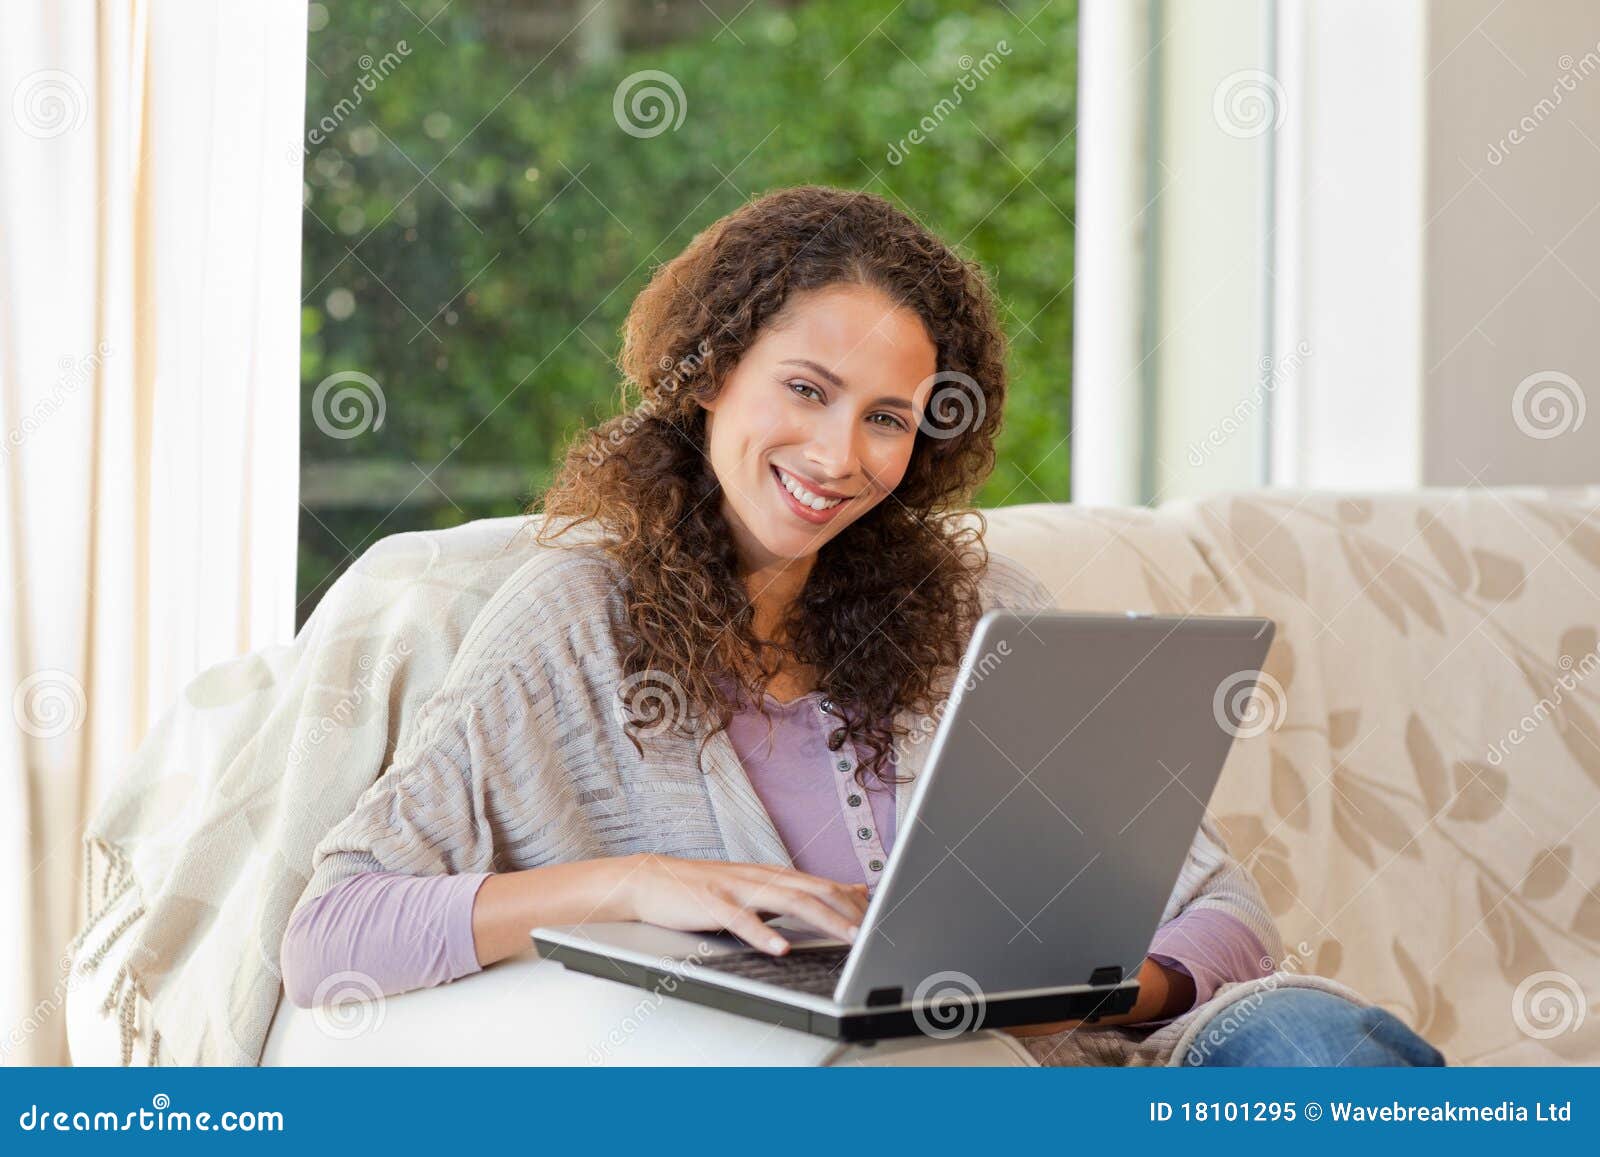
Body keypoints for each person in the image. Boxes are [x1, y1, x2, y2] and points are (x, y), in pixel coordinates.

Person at [279, 185, 1444, 1067]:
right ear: (708, 373)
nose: (840, 457)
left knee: (1325, 1046)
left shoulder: (979, 617)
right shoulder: (576, 618)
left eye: (887, 418)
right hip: (874, 1087)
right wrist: (632, 883)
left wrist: (1087, 990)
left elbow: (1229, 912)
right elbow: (334, 935)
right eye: (805, 389)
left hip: (1094, 1071)